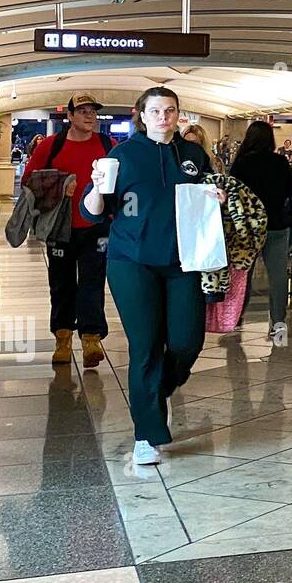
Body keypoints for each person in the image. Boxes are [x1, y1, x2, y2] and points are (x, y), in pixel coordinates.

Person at [81, 86, 218, 466]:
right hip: (131, 262)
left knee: (187, 341)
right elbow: (94, 212)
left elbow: (206, 198)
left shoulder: (193, 155)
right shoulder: (122, 156)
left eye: (170, 111)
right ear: (141, 115)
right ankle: (146, 434)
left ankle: (155, 393)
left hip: (182, 262)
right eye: (155, 111)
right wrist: (95, 186)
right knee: (146, 346)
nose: (163, 117)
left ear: (178, 115)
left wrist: (216, 198)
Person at [23, 93, 113, 368]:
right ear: (70, 116)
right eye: (83, 111)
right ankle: (62, 338)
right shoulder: (51, 146)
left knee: (92, 282)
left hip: (96, 225)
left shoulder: (108, 144)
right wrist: (61, 185)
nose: (89, 116)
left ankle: (91, 339)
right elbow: (28, 180)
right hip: (60, 226)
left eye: (93, 111)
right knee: (61, 283)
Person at [230, 119, 292, 344]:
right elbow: (290, 190)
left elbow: (233, 195)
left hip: (247, 229)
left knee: (243, 275)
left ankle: (237, 318)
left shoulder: (241, 163)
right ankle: (278, 323)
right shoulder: (280, 162)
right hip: (276, 224)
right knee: (278, 276)